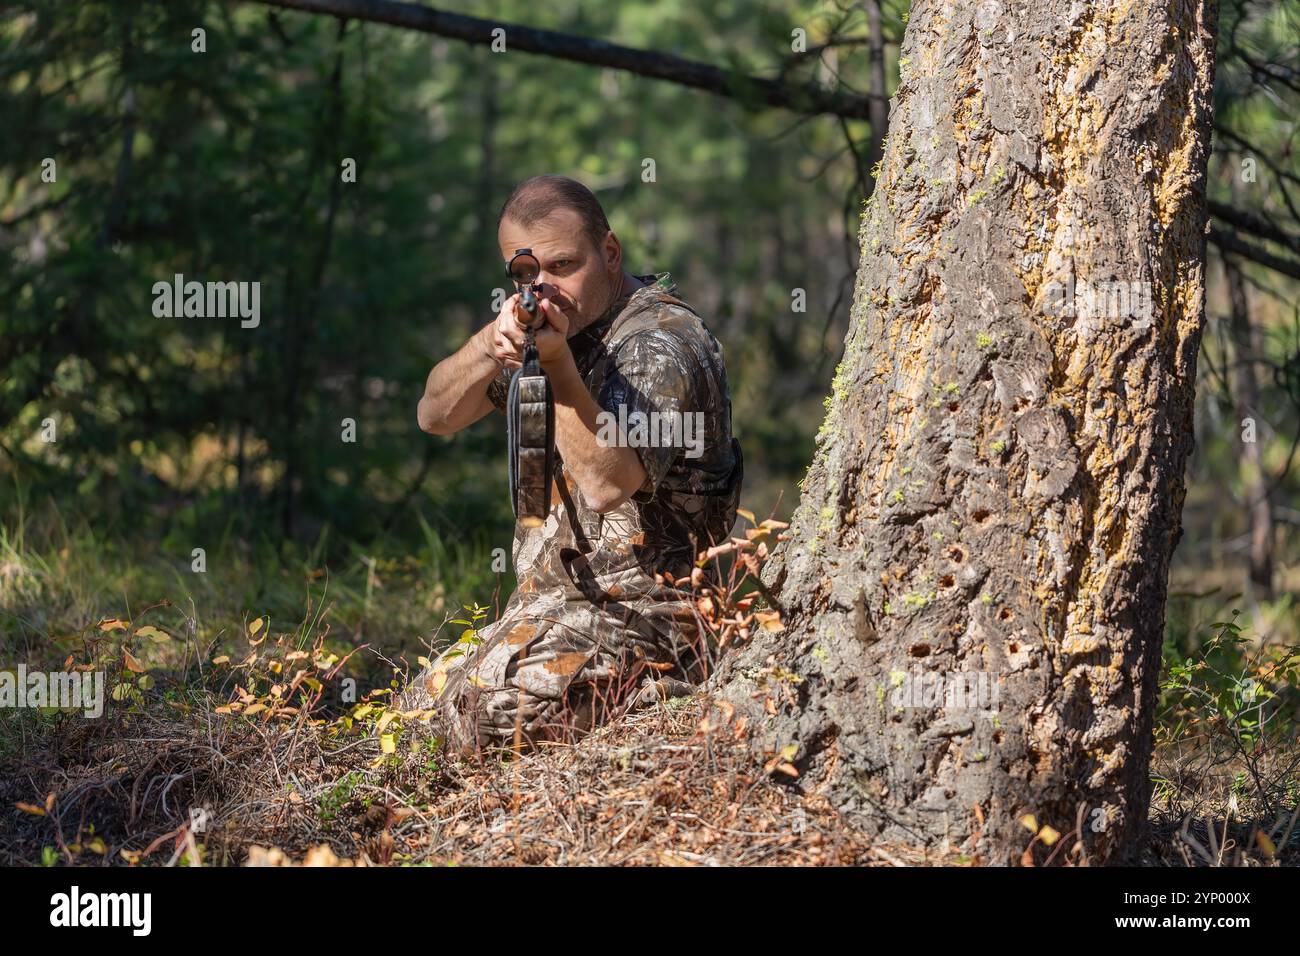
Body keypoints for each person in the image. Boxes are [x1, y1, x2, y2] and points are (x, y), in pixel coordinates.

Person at [399, 174, 742, 756]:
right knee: (413, 712)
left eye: (563, 266)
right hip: (555, 606)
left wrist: (554, 363)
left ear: (610, 253)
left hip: (652, 610)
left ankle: (673, 688)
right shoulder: (555, 329)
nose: (546, 288)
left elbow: (611, 485)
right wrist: (491, 343)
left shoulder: (661, 343)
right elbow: (434, 414)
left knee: (489, 719)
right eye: (527, 274)